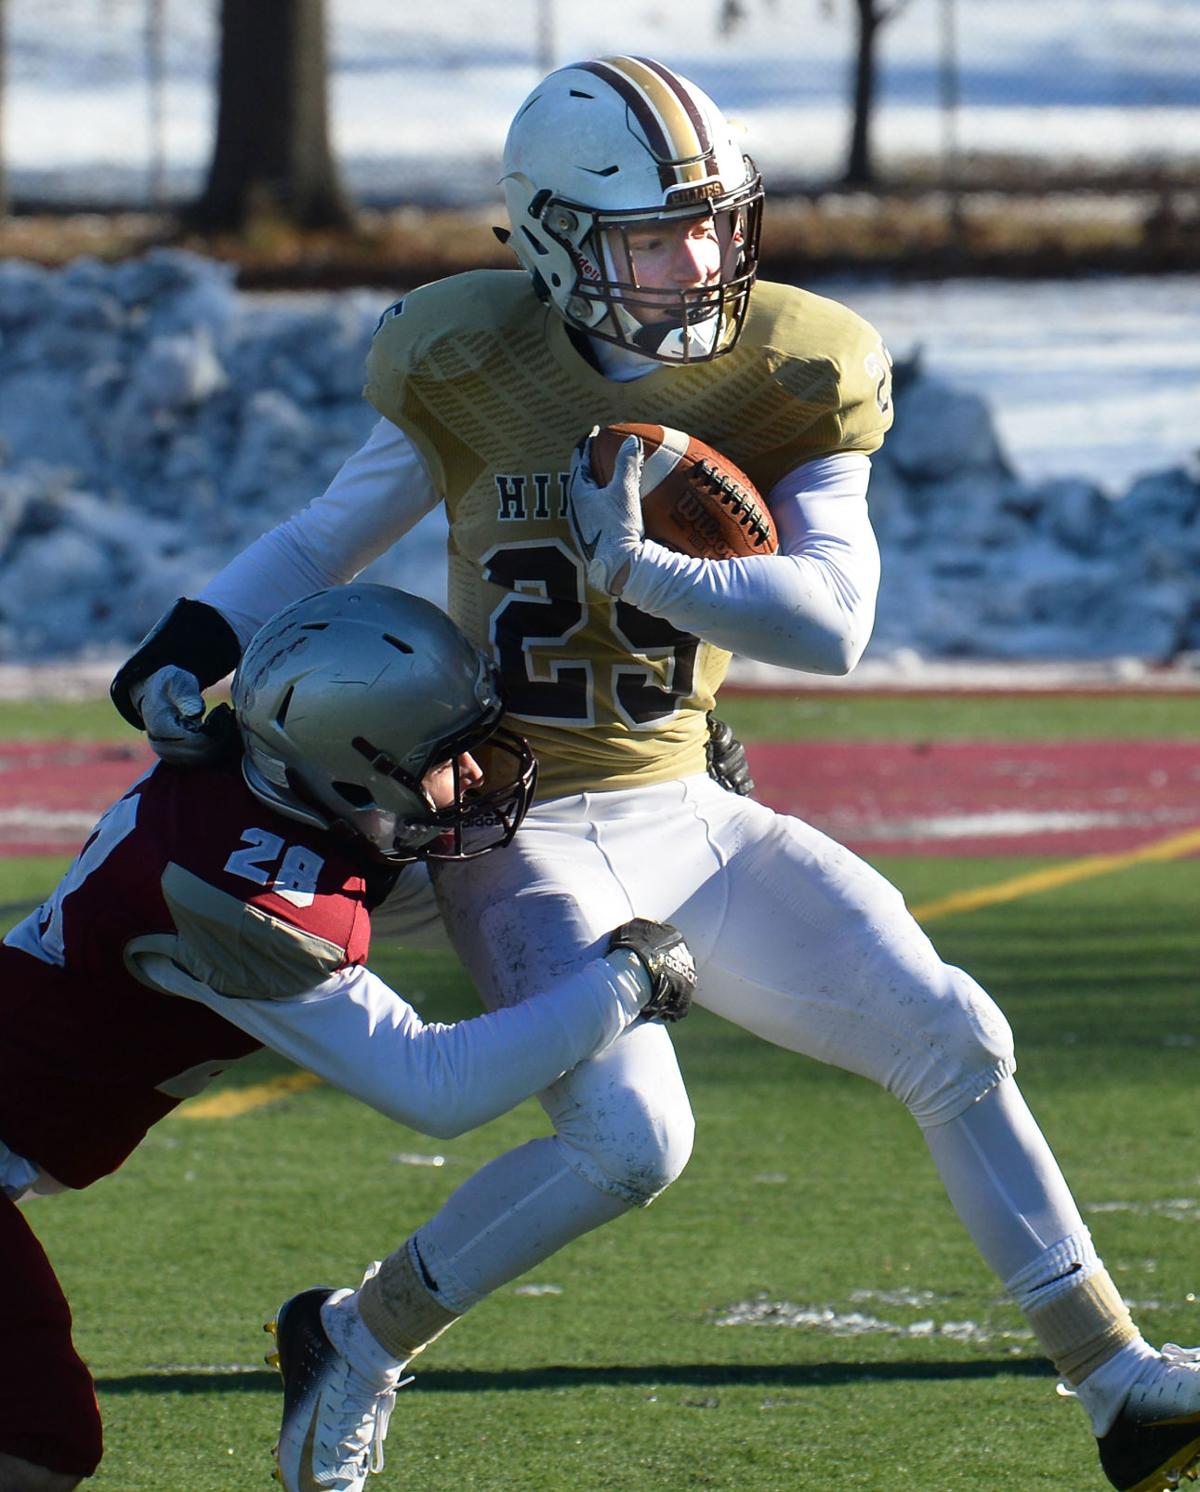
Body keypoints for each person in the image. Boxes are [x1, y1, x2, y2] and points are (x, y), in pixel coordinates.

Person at [109, 56, 1200, 1492]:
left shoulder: (792, 366)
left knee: (955, 1030)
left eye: (714, 223)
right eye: (650, 235)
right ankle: (358, 1338)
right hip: (517, 831)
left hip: (688, 802)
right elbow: (323, 539)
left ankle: (1117, 1381)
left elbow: (838, 622)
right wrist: (191, 639)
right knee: (634, 1139)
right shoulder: (469, 357)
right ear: (553, 238)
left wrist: (652, 569)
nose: (697, 263)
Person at [1, 583, 695, 1492]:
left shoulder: (267, 783)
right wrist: (628, 981)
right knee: (40, 1447)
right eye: (445, 756)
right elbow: (435, 1087)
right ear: (354, 760)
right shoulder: (237, 902)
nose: (475, 776)